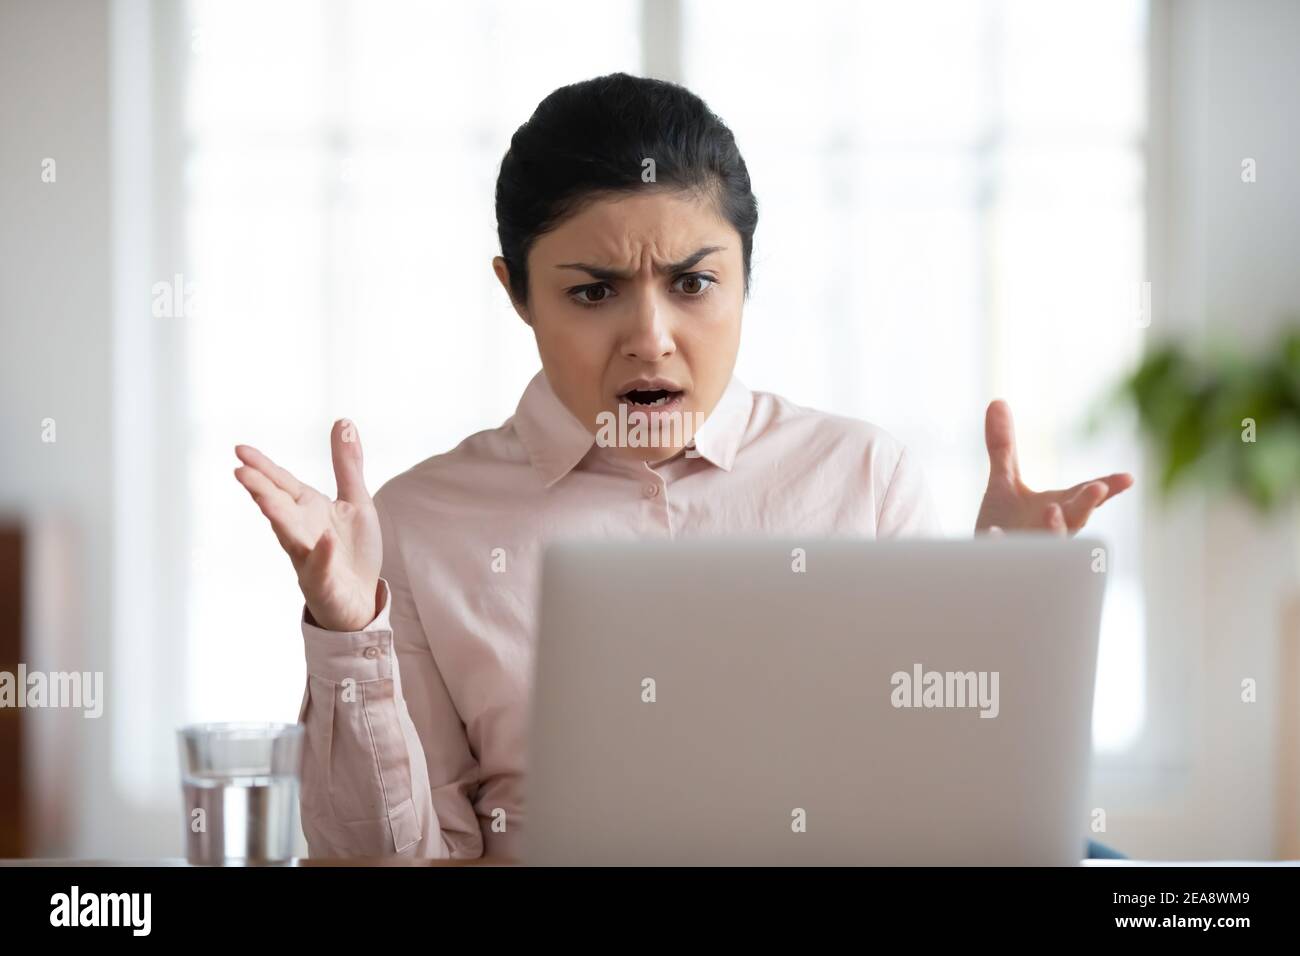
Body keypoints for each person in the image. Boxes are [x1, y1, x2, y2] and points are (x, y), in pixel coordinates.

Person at [233, 73, 1133, 862]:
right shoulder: (419, 524)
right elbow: (382, 865)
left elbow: (944, 824)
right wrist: (348, 629)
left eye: (694, 284)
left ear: (747, 275)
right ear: (516, 293)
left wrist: (995, 620)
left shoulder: (861, 476)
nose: (651, 340)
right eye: (593, 293)